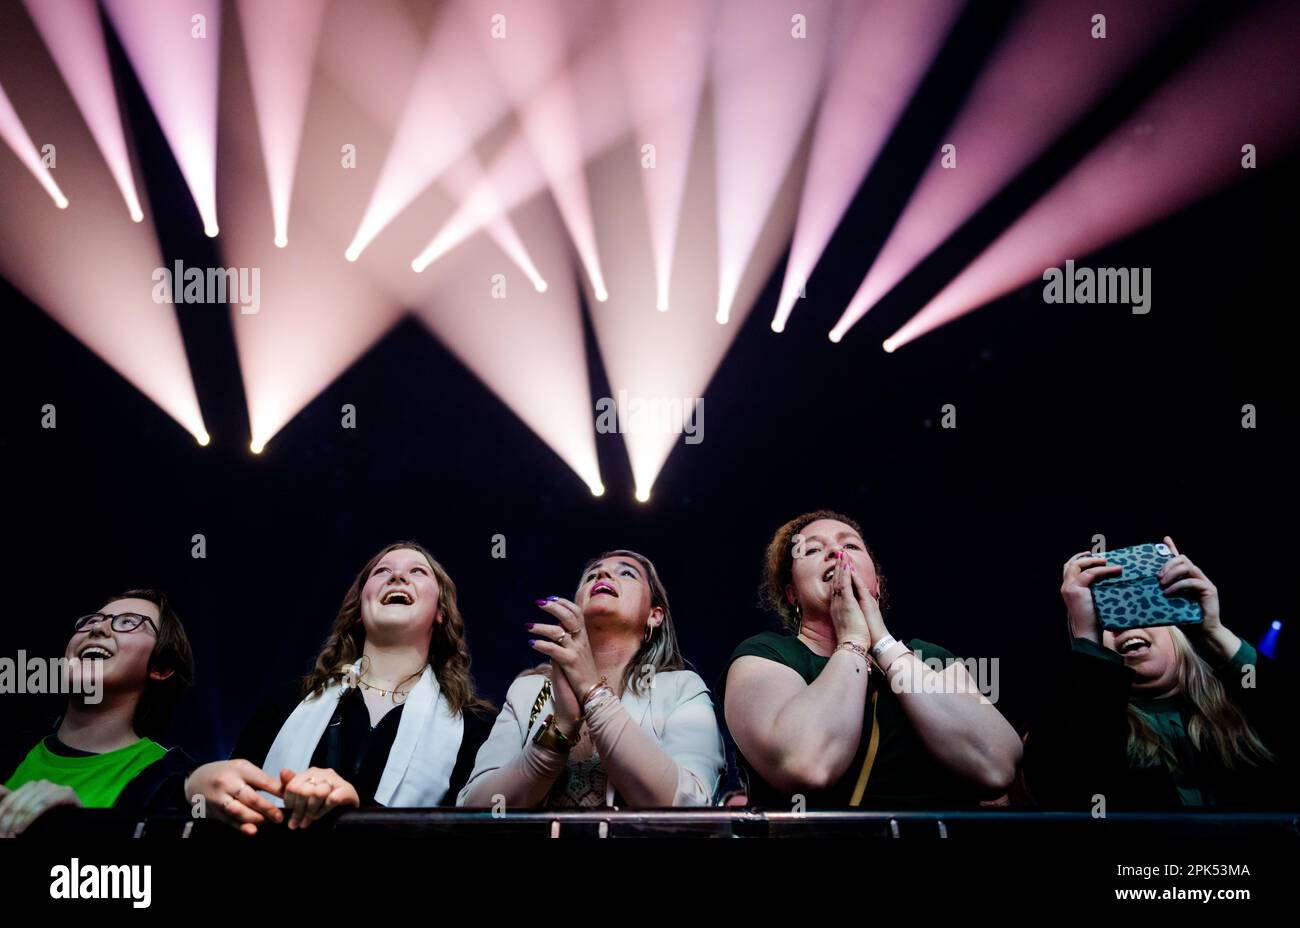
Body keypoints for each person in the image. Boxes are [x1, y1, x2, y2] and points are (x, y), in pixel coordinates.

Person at [185, 542, 495, 833]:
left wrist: (358, 808)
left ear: (441, 612)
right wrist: (193, 783)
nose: (398, 575)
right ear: (360, 610)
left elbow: (470, 833)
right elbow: (232, 807)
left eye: (418, 572)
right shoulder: (288, 703)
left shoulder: (475, 726)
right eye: (382, 571)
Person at [720, 510, 1021, 808]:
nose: (836, 552)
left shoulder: (930, 657)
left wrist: (884, 644)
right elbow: (808, 764)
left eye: (850, 545)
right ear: (792, 594)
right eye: (812, 549)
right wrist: (852, 642)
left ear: (876, 583)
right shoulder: (765, 655)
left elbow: (997, 766)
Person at [1023, 537, 1289, 810]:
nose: (1122, 627)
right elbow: (1059, 784)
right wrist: (1087, 640)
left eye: (1141, 610)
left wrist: (1215, 632)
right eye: (1108, 617)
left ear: (1179, 635)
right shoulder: (1073, 720)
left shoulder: (1241, 707)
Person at [459, 549, 725, 808]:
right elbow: (477, 806)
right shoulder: (527, 692)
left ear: (654, 615)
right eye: (590, 576)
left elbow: (689, 805)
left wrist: (593, 694)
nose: (603, 574)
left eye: (627, 573)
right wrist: (561, 728)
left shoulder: (681, 688)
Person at [1, 589, 196, 837]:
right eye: (92, 620)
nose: (98, 628)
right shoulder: (9, 746)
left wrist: (79, 828)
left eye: (128, 622)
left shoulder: (174, 782)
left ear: (160, 667)